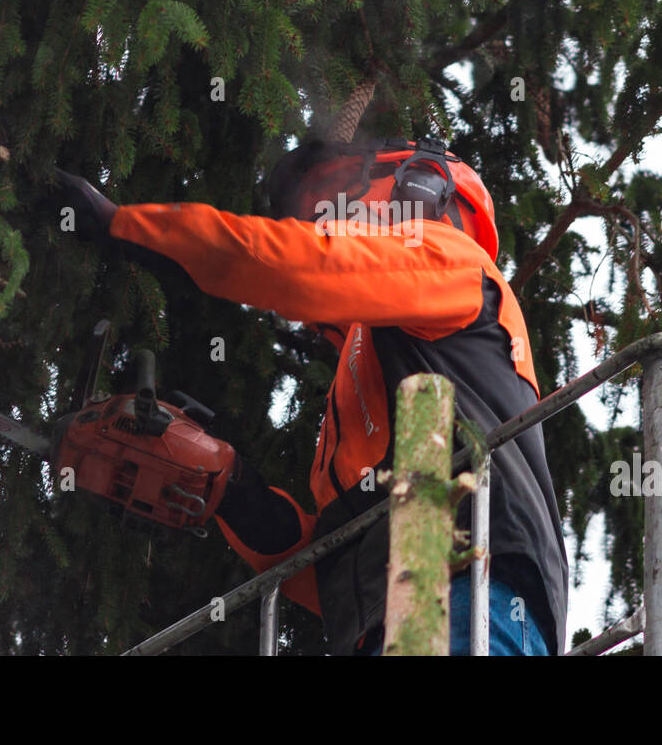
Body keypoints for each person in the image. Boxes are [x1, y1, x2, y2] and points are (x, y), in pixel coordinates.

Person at [55, 135, 569, 655]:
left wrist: (125, 226)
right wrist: (231, 490)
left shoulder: (451, 256)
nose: (321, 220)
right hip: (393, 623)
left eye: (336, 198)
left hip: (475, 598)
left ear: (422, 188)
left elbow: (304, 264)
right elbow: (340, 568)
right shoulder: (367, 371)